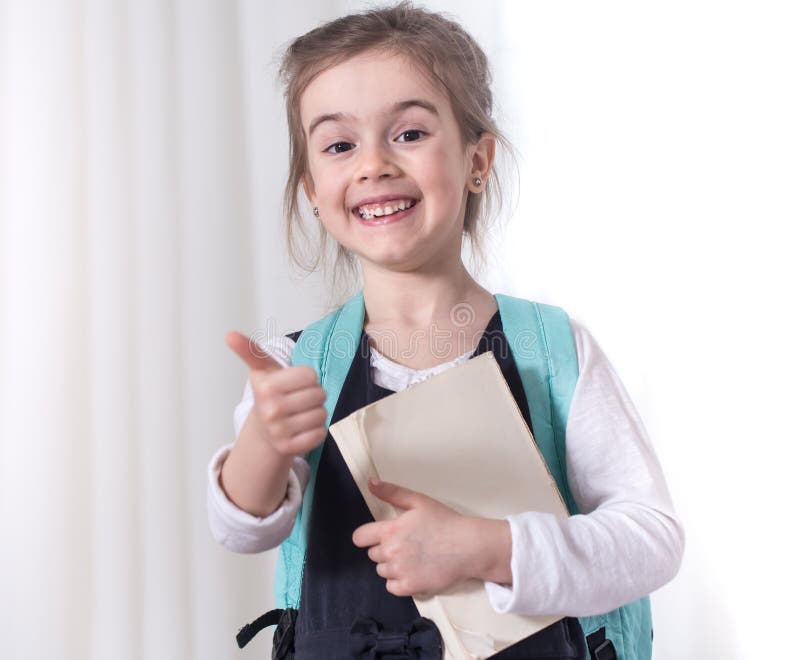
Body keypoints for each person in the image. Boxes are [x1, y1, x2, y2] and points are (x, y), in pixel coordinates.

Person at [207, 3, 684, 658]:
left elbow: (650, 541)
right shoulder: (294, 365)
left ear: (477, 160)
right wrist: (264, 440)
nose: (372, 164)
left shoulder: (555, 350)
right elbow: (242, 530)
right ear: (314, 190)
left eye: (408, 134)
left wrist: (491, 547)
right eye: (340, 145)